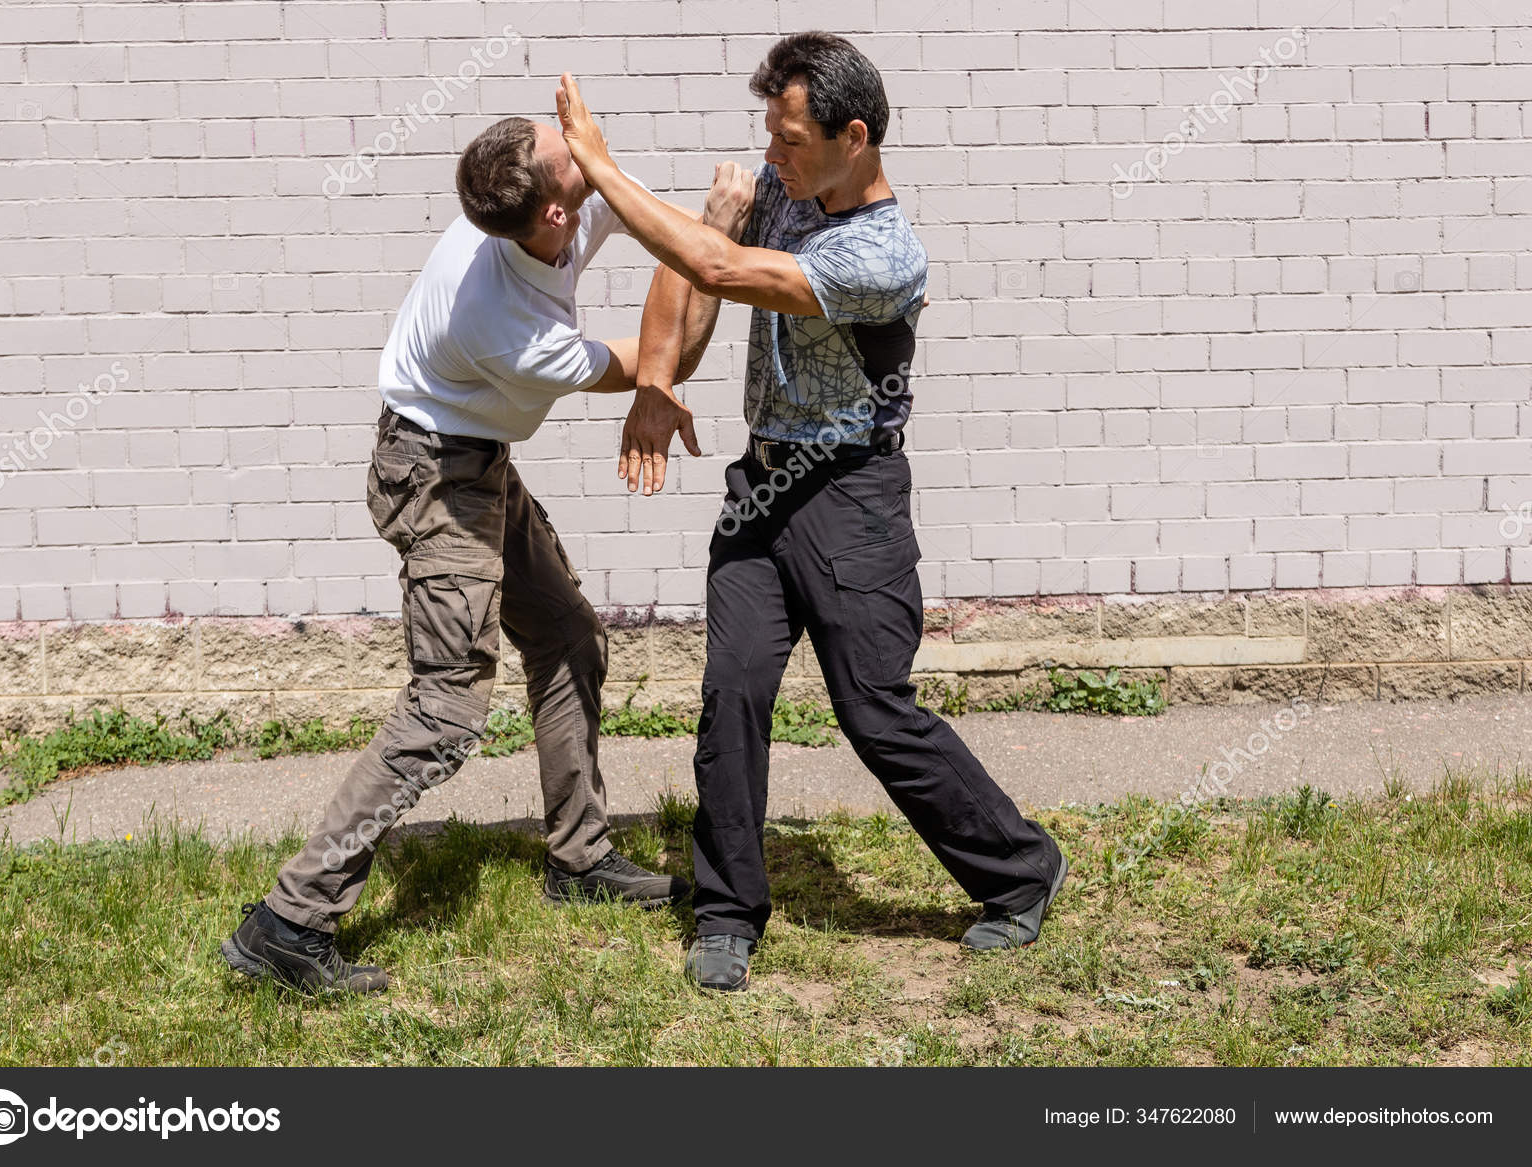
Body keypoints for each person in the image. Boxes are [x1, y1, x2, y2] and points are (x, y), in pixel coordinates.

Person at [555, 32, 1069, 993]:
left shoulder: (882, 254)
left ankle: (1021, 870)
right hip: (762, 483)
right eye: (772, 132)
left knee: (873, 709)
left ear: (856, 137)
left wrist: (604, 170)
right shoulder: (786, 188)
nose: (773, 151)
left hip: (851, 499)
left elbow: (717, 267)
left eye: (790, 137)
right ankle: (726, 912)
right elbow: (699, 275)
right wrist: (660, 379)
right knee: (733, 692)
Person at [221, 115, 754, 993]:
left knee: (567, 637)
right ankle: (290, 919)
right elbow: (662, 360)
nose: (587, 154)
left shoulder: (524, 198)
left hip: (478, 462)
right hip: (434, 477)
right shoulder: (510, 328)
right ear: (551, 211)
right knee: (445, 710)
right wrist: (716, 238)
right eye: (570, 155)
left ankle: (579, 858)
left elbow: (647, 226)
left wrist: (690, 233)